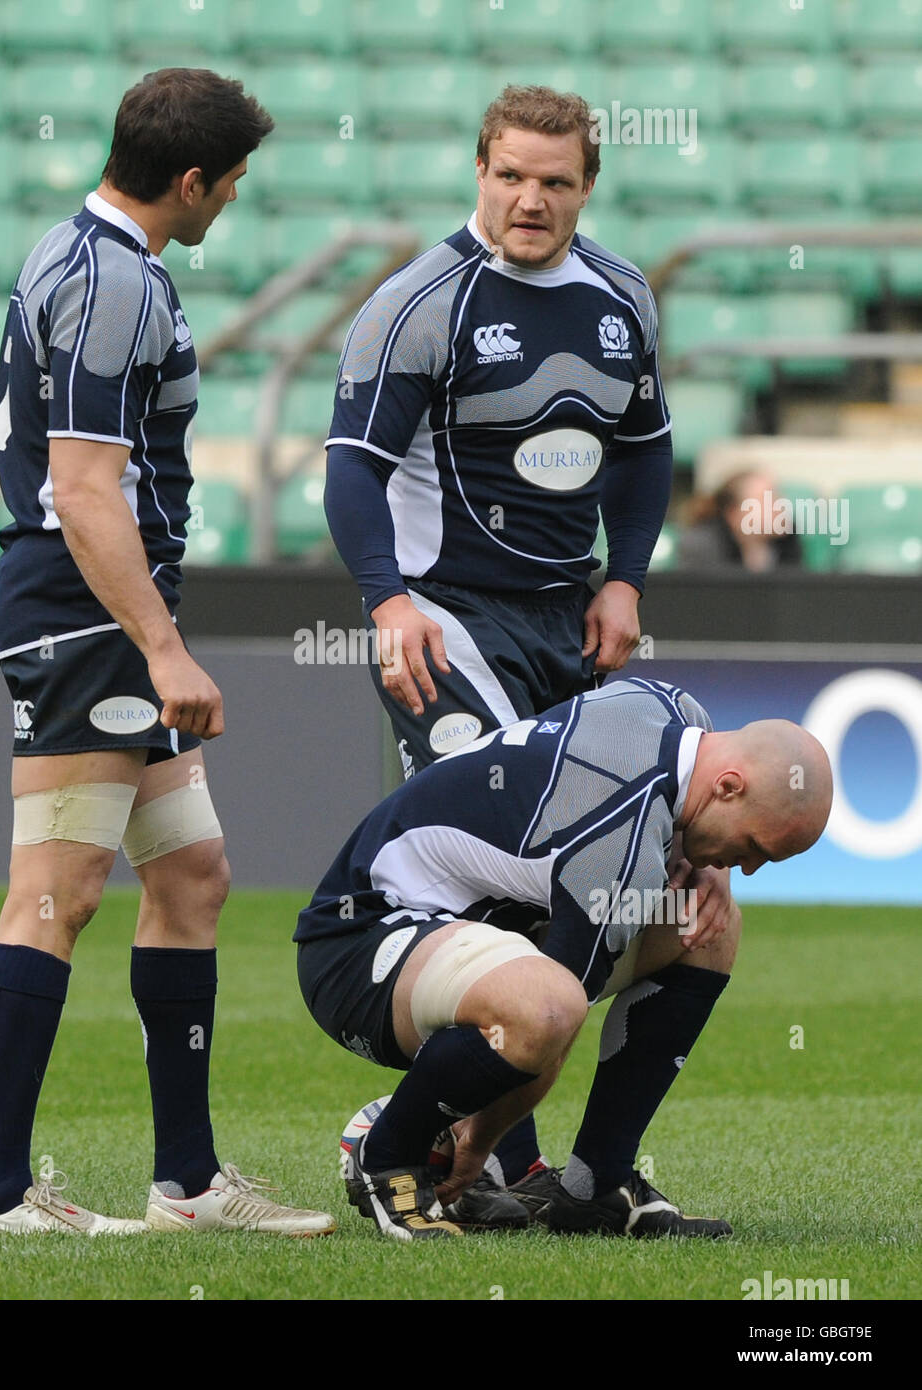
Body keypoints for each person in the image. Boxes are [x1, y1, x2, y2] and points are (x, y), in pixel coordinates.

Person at [0, 69, 333, 1237]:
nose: (230, 199)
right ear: (189, 180)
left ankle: (187, 1183)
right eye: (228, 182)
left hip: (98, 614)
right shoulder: (117, 280)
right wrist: (162, 648)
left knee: (190, 876)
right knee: (56, 896)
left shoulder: (70, 251)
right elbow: (81, 488)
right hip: (91, 621)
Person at [322, 83, 710, 1215]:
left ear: (587, 186)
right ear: (478, 171)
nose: (528, 199)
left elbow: (642, 451)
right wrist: (387, 602)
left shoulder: (620, 293)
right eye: (509, 175)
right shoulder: (416, 302)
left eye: (553, 181)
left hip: (564, 622)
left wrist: (625, 574)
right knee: (511, 860)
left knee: (642, 886)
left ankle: (584, 1174)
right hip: (444, 622)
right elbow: (351, 466)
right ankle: (469, 1146)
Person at [294, 678, 832, 1240]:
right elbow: (554, 1025)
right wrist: (479, 1147)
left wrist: (711, 866)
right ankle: (386, 1153)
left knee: (703, 926)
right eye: (752, 849)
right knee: (548, 1007)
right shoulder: (618, 852)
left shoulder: (670, 705)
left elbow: (682, 791)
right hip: (357, 946)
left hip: (463, 929)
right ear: (726, 786)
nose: (746, 868)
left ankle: (595, 1186)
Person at [678, 469, 804, 571]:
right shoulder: (702, 546)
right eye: (765, 500)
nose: (779, 506)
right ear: (733, 513)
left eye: (777, 497)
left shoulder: (788, 543)